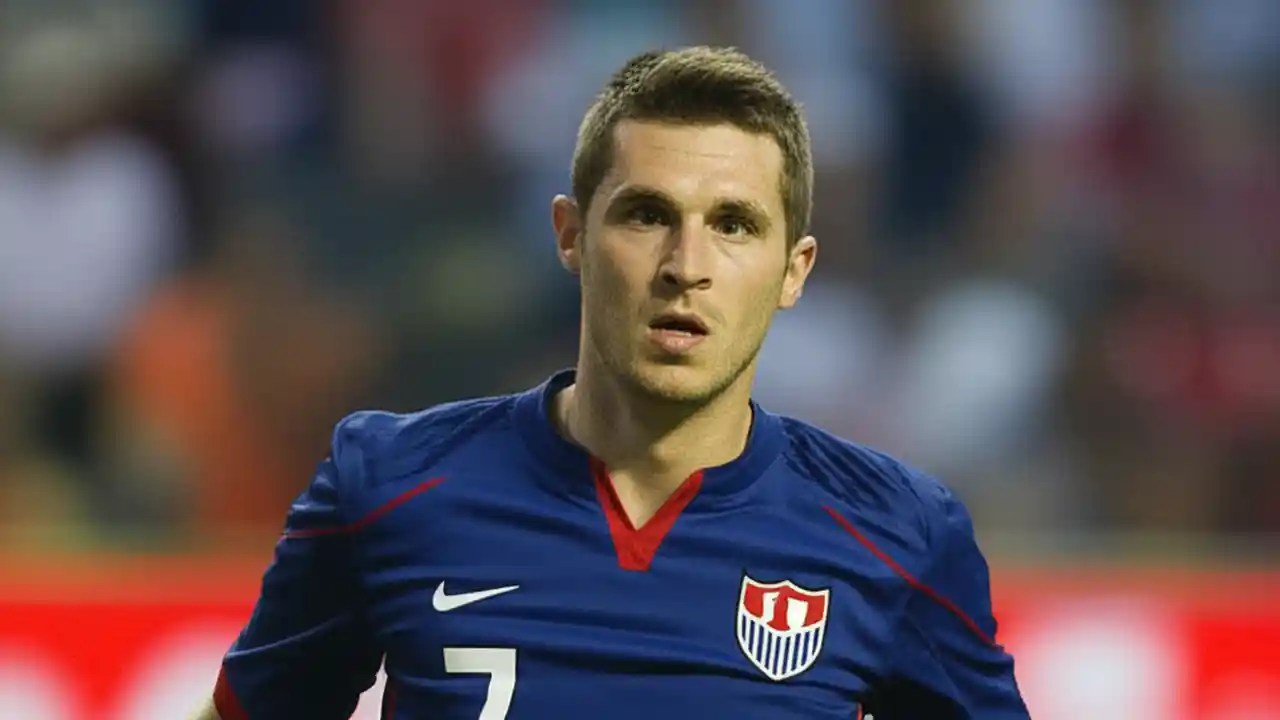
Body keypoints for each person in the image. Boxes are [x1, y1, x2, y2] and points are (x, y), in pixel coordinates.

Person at [193, 46, 1028, 719]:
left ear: (793, 269)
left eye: (733, 225)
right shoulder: (389, 485)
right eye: (646, 215)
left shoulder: (897, 533)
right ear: (570, 235)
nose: (685, 267)